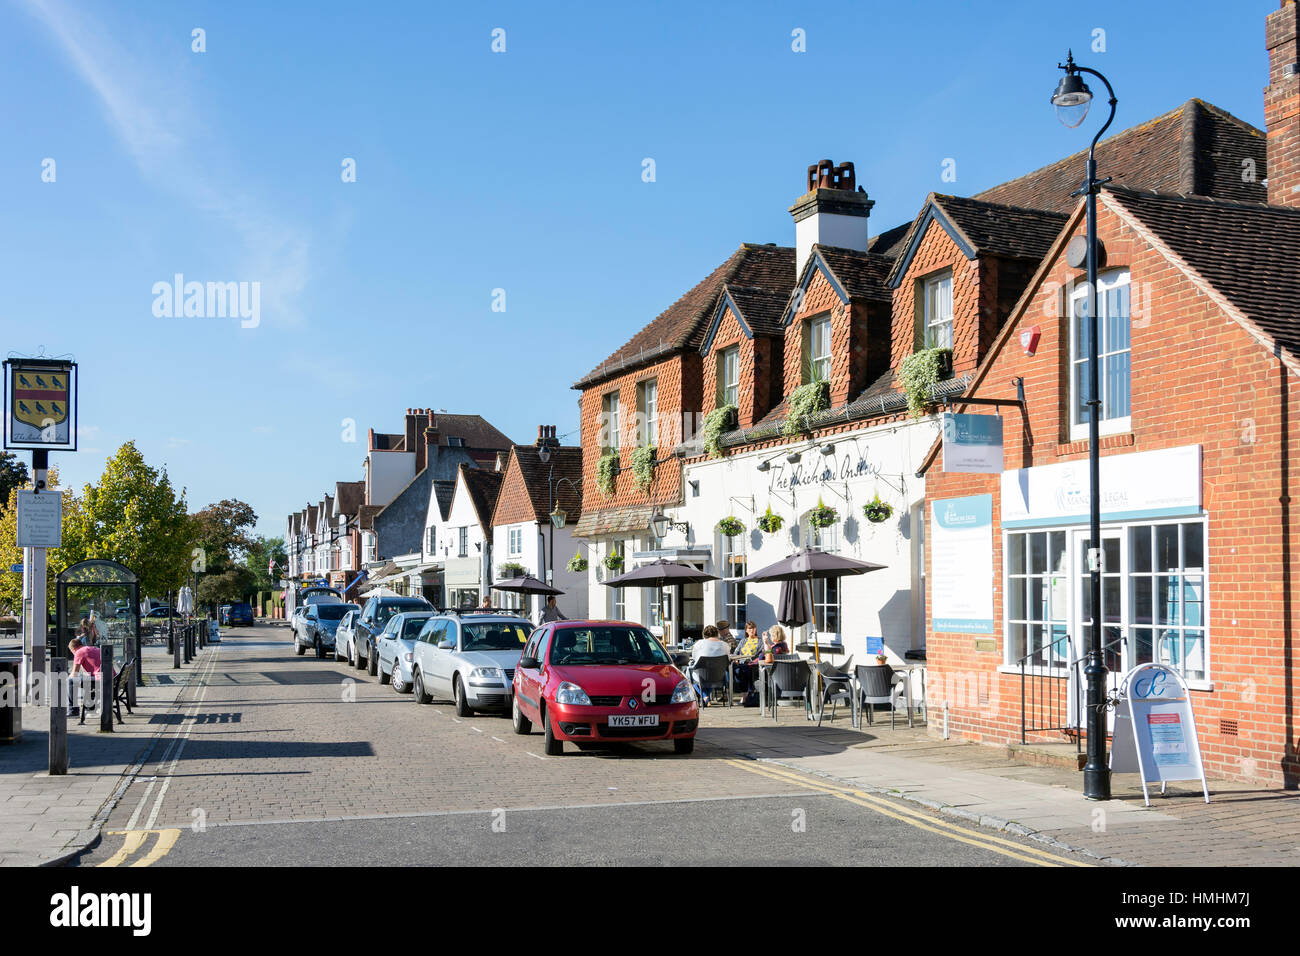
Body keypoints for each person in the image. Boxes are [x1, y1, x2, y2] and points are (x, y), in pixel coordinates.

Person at [690, 624, 730, 706]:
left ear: (704, 635)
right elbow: (728, 659)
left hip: (703, 676)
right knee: (712, 672)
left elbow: (694, 658)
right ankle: (706, 697)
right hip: (719, 676)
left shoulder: (699, 644)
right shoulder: (725, 645)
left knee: (689, 673)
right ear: (717, 633)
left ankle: (705, 697)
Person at [67, 637, 103, 723]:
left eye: (72, 651)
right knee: (86, 678)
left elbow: (74, 673)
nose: (73, 654)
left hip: (99, 679)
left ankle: (73, 710)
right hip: (109, 677)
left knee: (70, 681)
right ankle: (90, 705)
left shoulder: (79, 652)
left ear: (74, 648)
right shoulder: (92, 648)